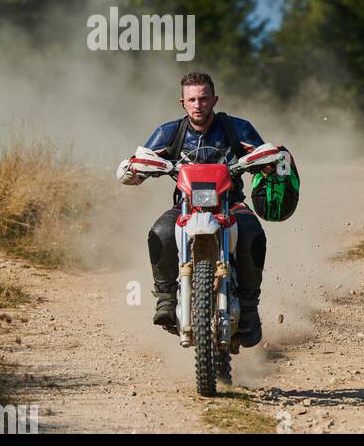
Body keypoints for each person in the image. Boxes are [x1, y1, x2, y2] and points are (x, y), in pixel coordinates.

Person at [115, 72, 270, 347]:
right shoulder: (169, 133)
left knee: (252, 232)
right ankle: (165, 298)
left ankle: (249, 307)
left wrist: (267, 160)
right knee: (160, 232)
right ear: (183, 103)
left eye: (203, 98)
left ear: (214, 99)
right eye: (192, 100)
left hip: (231, 204)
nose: (198, 104)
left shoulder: (237, 128)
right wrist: (134, 169)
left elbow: (263, 153)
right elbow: (138, 162)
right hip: (186, 207)